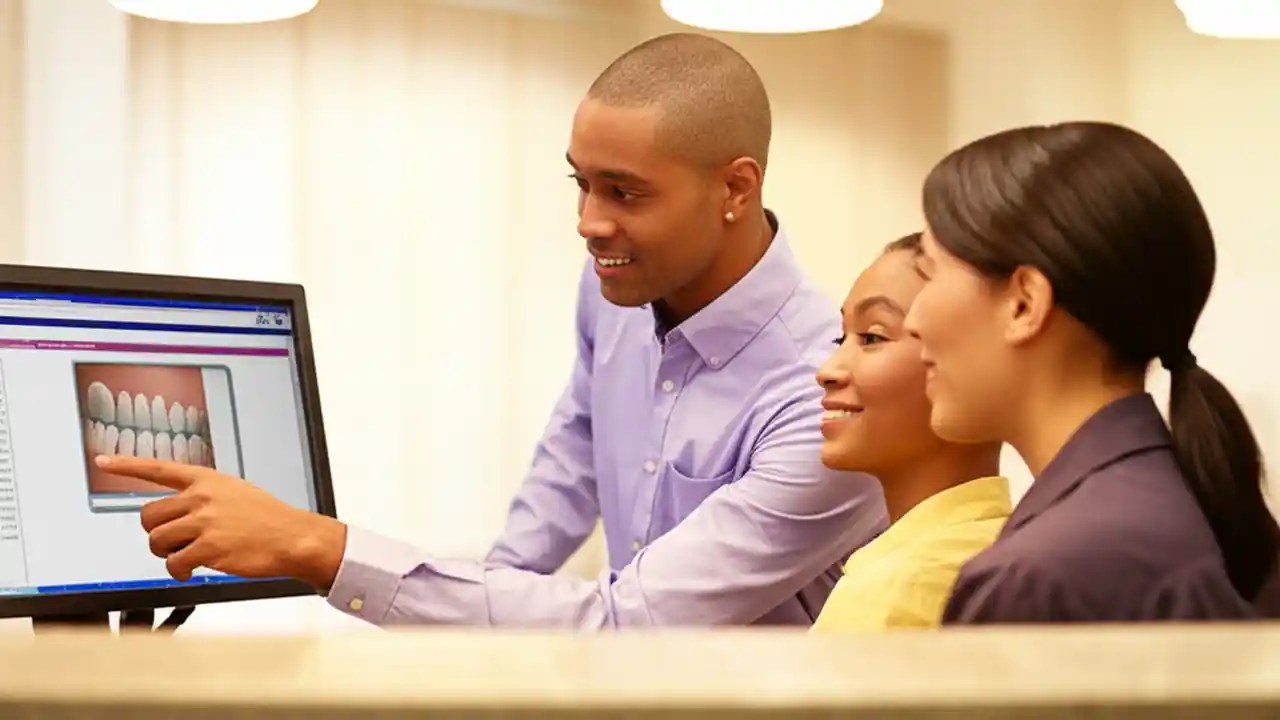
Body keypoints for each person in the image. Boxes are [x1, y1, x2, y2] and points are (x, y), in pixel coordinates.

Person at [94, 33, 887, 629]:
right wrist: (478, 620)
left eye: (623, 192)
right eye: (580, 183)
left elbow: (629, 625)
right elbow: (572, 458)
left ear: (736, 189)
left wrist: (320, 548)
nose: (588, 222)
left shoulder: (831, 396)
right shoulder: (615, 290)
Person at [902, 120, 1280, 622]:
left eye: (929, 273)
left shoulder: (1044, 574)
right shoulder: (1167, 499)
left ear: (1024, 303)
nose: (912, 320)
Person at [807, 232, 1009, 632]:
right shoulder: (1002, 543)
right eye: (840, 337)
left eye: (872, 337)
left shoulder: (899, 589)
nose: (827, 370)